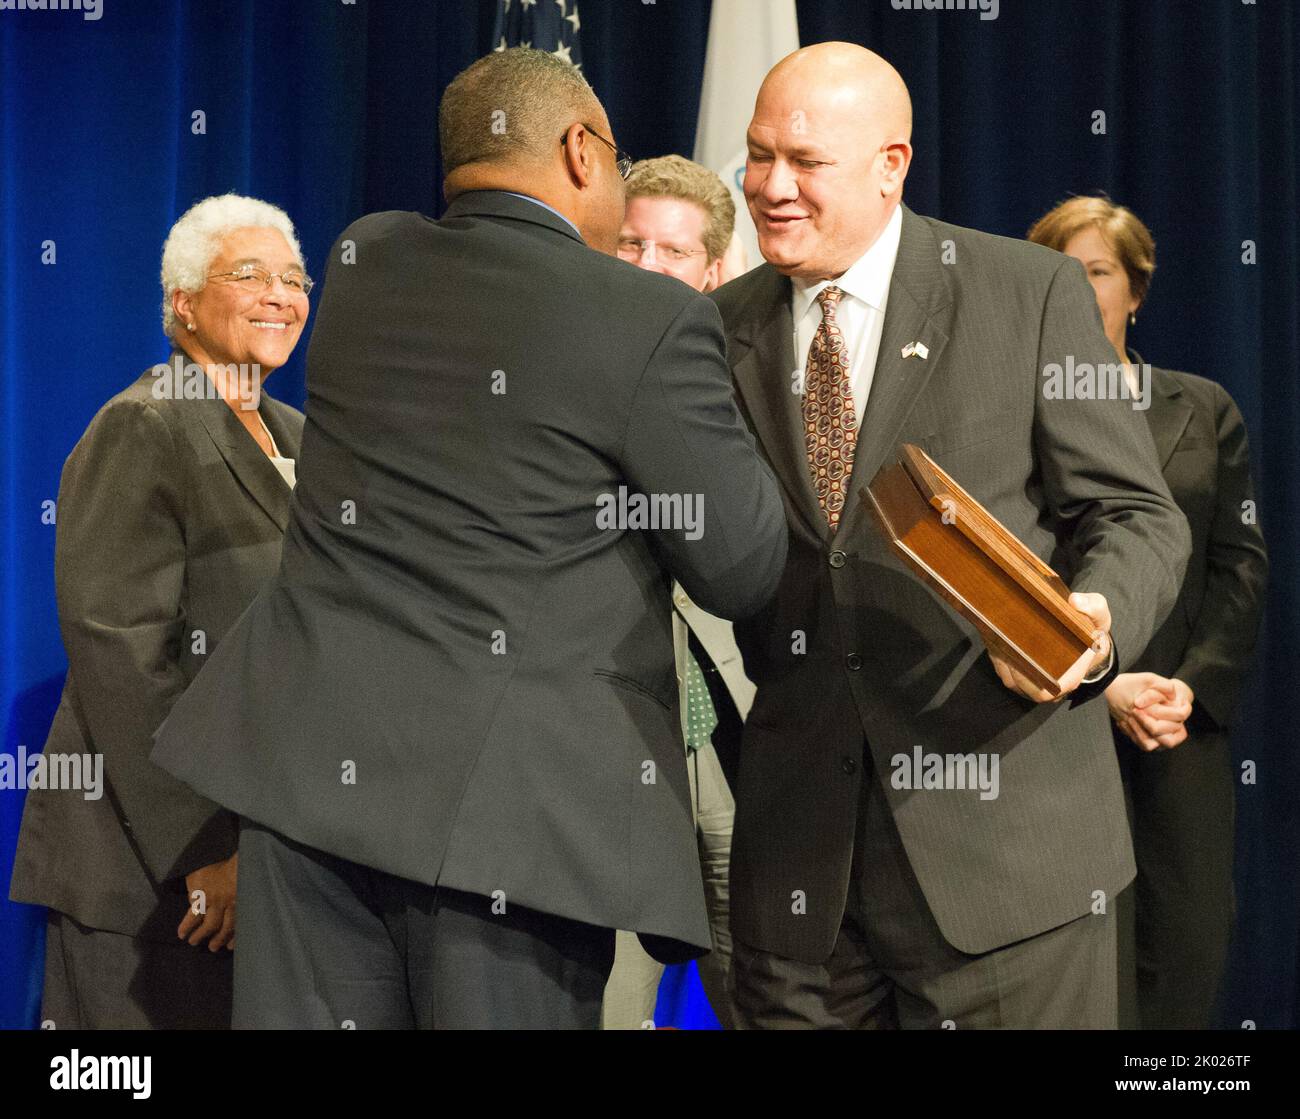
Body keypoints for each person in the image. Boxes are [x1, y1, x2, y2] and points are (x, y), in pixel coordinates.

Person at [151, 48, 787, 1030]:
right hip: (511, 838)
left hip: (308, 793)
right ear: (581, 151)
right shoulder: (647, 318)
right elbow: (741, 564)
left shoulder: (365, 263)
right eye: (616, 161)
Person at [709, 42, 1192, 1028]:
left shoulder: (1029, 294)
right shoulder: (714, 329)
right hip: (799, 889)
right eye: (758, 157)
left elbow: (1137, 514)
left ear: (892, 165)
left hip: (1010, 872)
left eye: (805, 163)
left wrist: (1089, 621)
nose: (770, 187)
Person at [8, 194, 309, 1028]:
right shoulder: (144, 425)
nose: (281, 295)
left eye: (294, 277)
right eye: (249, 275)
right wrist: (206, 848)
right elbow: (122, 655)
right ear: (183, 303)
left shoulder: (298, 436)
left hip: (269, 859)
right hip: (149, 878)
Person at [1028, 195, 1268, 1029]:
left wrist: (1186, 691)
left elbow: (1239, 567)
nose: (1080, 286)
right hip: (1057, 725)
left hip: (1179, 730)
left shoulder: (1203, 407)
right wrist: (1108, 683)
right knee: (1078, 966)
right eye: (1061, 271)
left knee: (1188, 948)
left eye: (1097, 270)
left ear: (1136, 290)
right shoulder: (1013, 408)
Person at [602, 155, 752, 1029]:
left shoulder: (751, 380)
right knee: (613, 995)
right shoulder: (554, 368)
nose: (648, 266)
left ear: (713, 270)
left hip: (733, 721)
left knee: (758, 985)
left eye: (670, 250)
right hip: (610, 732)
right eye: (630, 245)